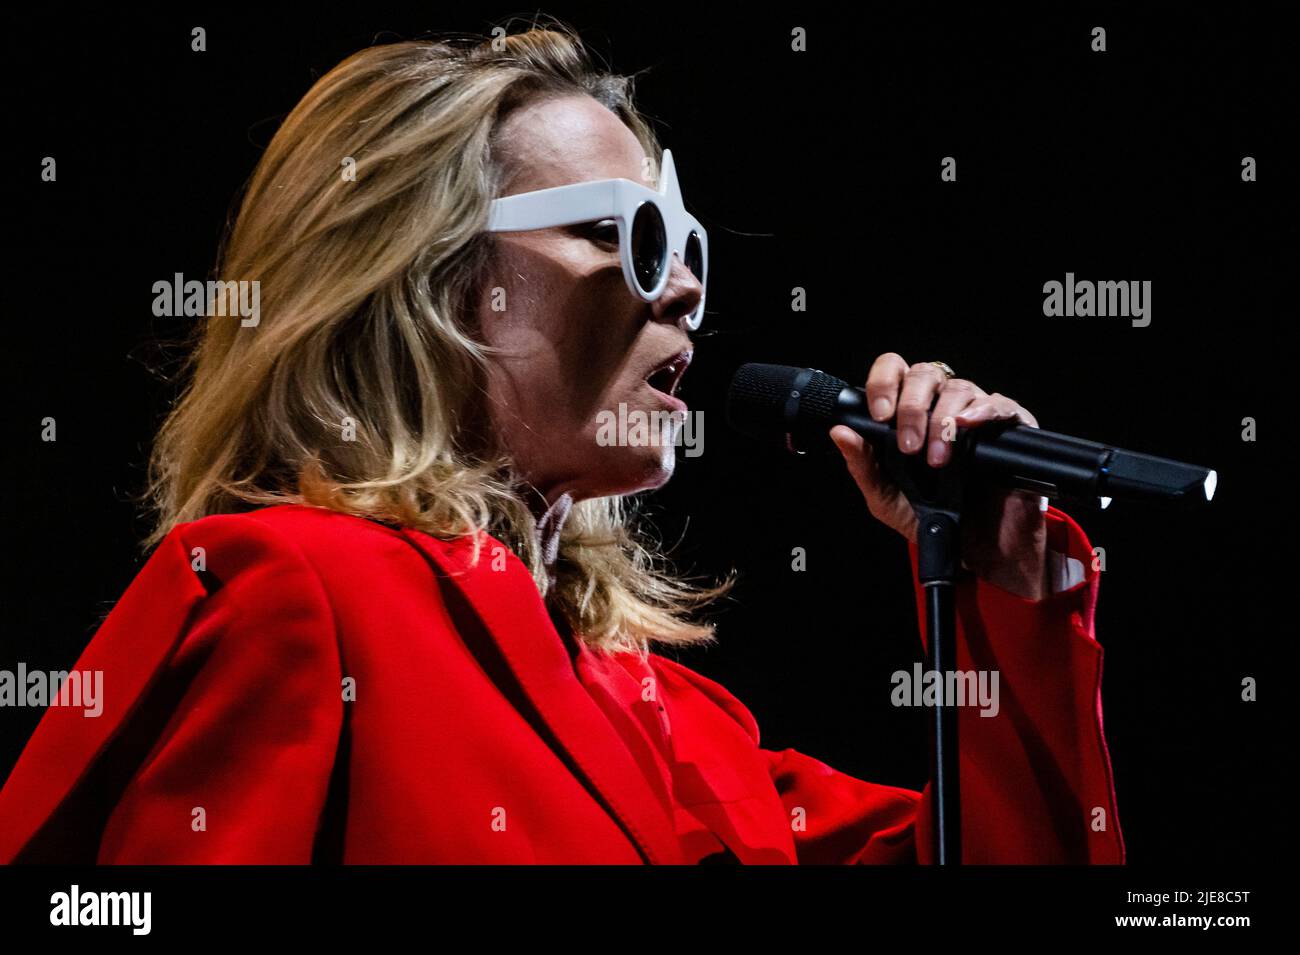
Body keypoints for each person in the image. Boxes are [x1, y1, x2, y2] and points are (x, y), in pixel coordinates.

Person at [0, 25, 1123, 864]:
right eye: (617, 236)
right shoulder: (299, 589)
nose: (683, 285)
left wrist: (1001, 590)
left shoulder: (672, 722)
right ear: (434, 285)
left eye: (685, 246)